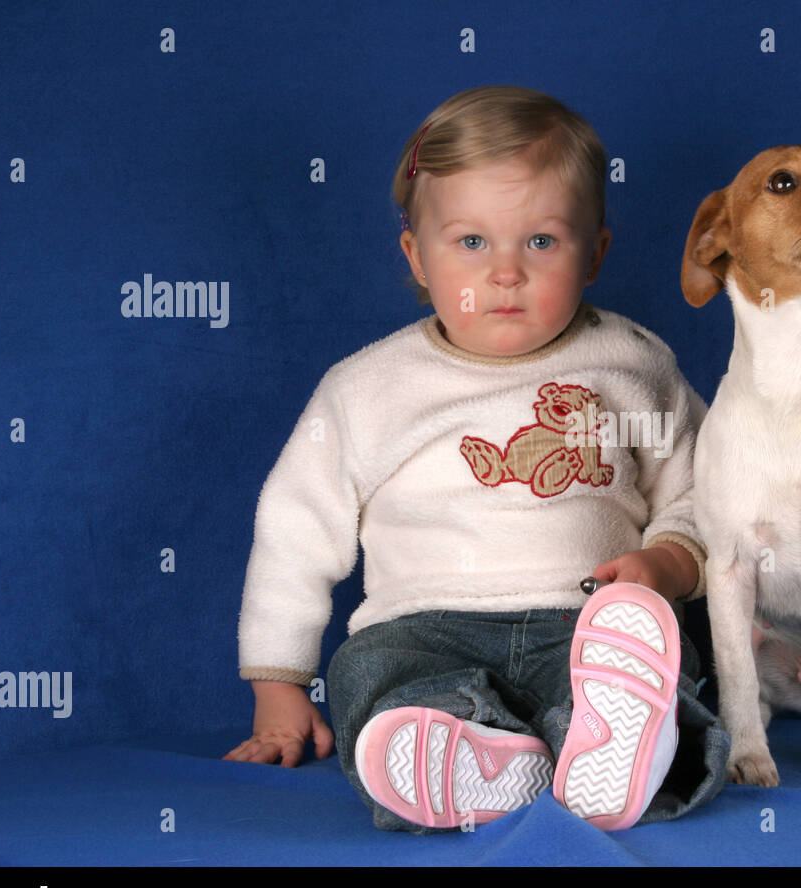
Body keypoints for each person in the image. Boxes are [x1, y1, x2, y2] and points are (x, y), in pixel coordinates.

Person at [224, 85, 728, 832]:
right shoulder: (366, 388)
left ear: (596, 253)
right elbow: (294, 533)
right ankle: (469, 755)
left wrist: (669, 567)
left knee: (662, 662)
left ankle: (610, 744)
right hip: (423, 628)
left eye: (541, 242)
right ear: (417, 256)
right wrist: (278, 679)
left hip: (586, 626)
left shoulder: (632, 363)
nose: (505, 272)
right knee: (370, 675)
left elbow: (706, 493)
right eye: (471, 243)